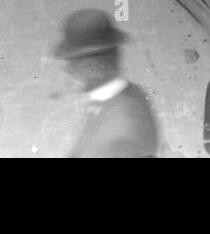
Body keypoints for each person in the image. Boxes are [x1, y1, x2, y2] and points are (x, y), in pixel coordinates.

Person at [52, 9, 159, 158]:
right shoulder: (123, 97)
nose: (67, 70)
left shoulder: (121, 131)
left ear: (94, 65)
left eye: (73, 61)